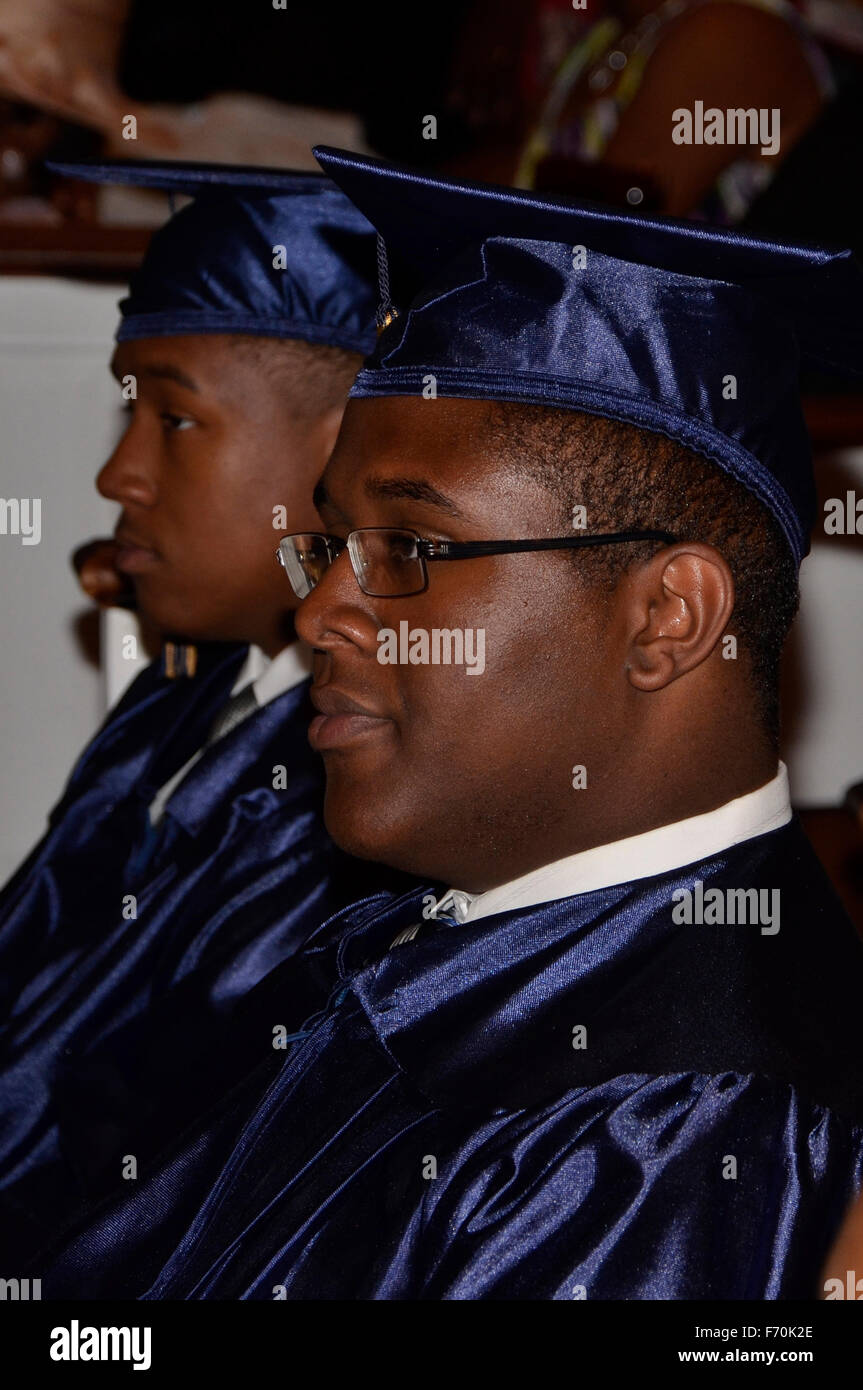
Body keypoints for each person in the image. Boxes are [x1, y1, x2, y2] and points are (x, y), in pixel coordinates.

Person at [37, 149, 863, 1300]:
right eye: (328, 544)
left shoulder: (674, 1135)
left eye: (413, 550)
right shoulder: (449, 933)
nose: (319, 608)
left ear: (667, 617)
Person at [0, 158, 383, 1265]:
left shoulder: (352, 803)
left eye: (174, 419)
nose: (116, 475)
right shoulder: (185, 694)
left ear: (341, 457)